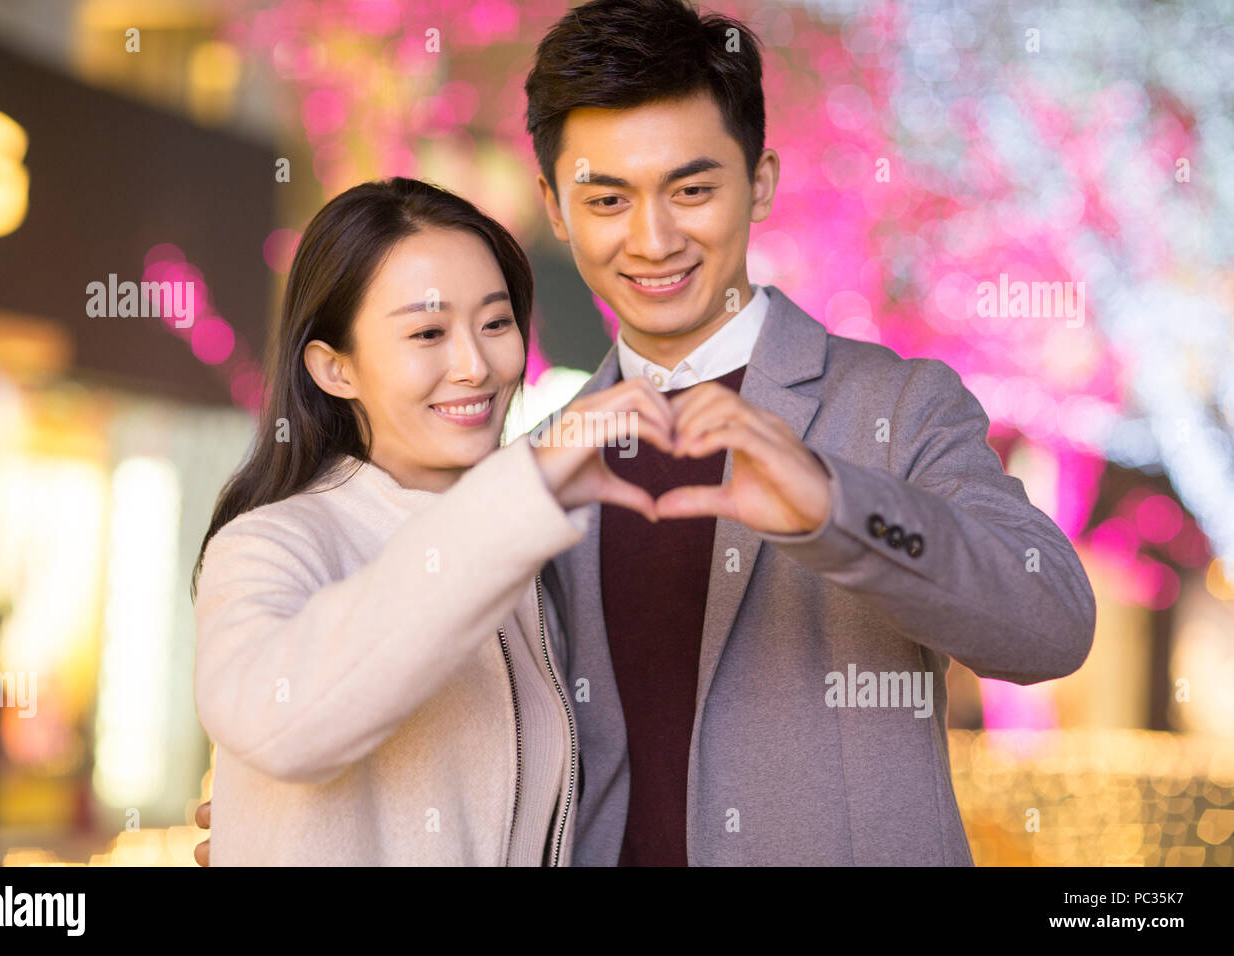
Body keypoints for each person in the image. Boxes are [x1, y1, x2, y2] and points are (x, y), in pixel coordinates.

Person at [198, 0, 1096, 866]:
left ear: (762, 184)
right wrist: (293, 826)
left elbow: (1049, 620)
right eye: (608, 199)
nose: (653, 238)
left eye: (692, 188)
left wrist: (835, 507)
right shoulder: (524, 476)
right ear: (555, 208)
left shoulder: (895, 406)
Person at [190, 176, 674, 865]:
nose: (476, 366)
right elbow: (280, 724)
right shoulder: (271, 542)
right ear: (334, 368)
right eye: (427, 331)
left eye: (497, 322)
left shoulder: (529, 547)